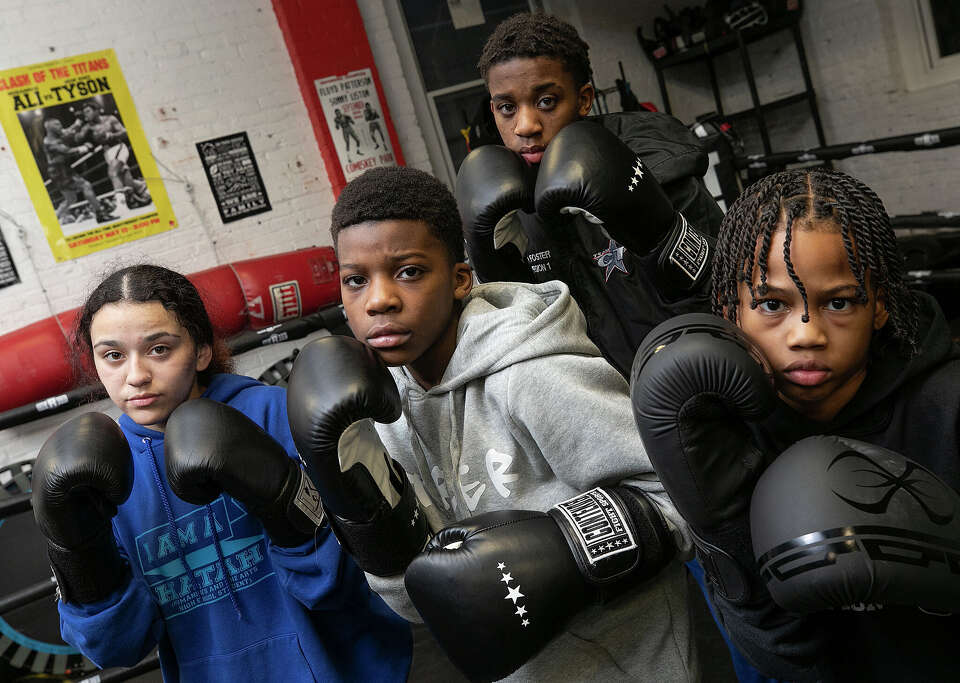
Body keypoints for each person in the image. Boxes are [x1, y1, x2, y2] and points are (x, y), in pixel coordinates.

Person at [285, 165, 698, 682]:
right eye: (356, 280)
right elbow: (422, 601)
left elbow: (678, 502)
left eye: (409, 271)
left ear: (460, 279)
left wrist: (565, 553)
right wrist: (372, 525)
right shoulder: (378, 413)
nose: (379, 299)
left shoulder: (534, 376)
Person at [630, 168, 960, 682]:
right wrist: (725, 536)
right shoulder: (723, 436)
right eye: (772, 304)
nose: (806, 333)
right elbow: (784, 660)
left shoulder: (948, 408)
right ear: (730, 310)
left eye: (838, 301)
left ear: (880, 306)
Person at [30, 264, 411, 682]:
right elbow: (118, 646)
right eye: (113, 355)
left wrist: (288, 505)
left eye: (159, 349)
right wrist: (81, 558)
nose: (136, 376)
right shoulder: (104, 471)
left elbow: (350, 582)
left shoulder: (272, 414)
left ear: (201, 351)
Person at [457, 11, 724, 378]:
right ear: (493, 110)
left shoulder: (653, 171)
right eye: (507, 108)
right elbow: (519, 362)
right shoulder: (503, 208)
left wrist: (656, 229)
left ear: (583, 99)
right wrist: (494, 272)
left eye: (546, 101)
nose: (525, 126)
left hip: (706, 384)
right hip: (601, 417)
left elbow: (737, 290)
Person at [77, 101, 151, 210]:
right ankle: (141, 187)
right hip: (107, 153)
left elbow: (125, 132)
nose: (86, 114)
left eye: (88, 111)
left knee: (113, 173)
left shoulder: (110, 119)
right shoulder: (88, 126)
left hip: (118, 148)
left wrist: (112, 135)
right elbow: (78, 138)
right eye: (84, 113)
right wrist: (79, 127)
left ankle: (121, 205)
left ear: (96, 110)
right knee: (124, 178)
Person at [42, 116, 116, 224]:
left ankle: (52, 220)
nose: (60, 126)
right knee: (86, 185)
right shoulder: (50, 142)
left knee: (71, 199)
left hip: (59, 169)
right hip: (59, 170)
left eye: (60, 123)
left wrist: (78, 123)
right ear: (49, 128)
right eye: (56, 124)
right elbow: (66, 151)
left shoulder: (57, 134)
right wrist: (83, 148)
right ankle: (100, 214)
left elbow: (68, 131)